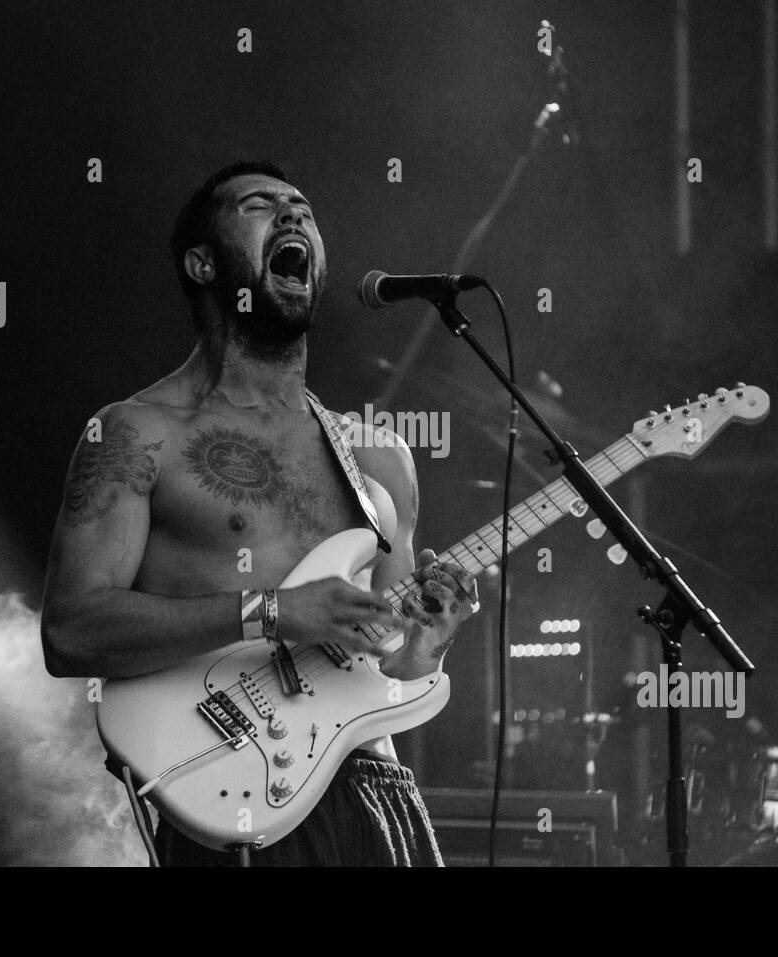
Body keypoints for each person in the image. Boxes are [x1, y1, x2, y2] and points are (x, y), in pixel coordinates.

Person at [40, 160, 478, 865]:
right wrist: (271, 610)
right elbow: (70, 630)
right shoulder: (136, 433)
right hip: (235, 803)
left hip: (378, 797)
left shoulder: (381, 457)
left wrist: (426, 646)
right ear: (203, 263)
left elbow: (385, 666)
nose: (294, 216)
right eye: (261, 205)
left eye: (302, 206)